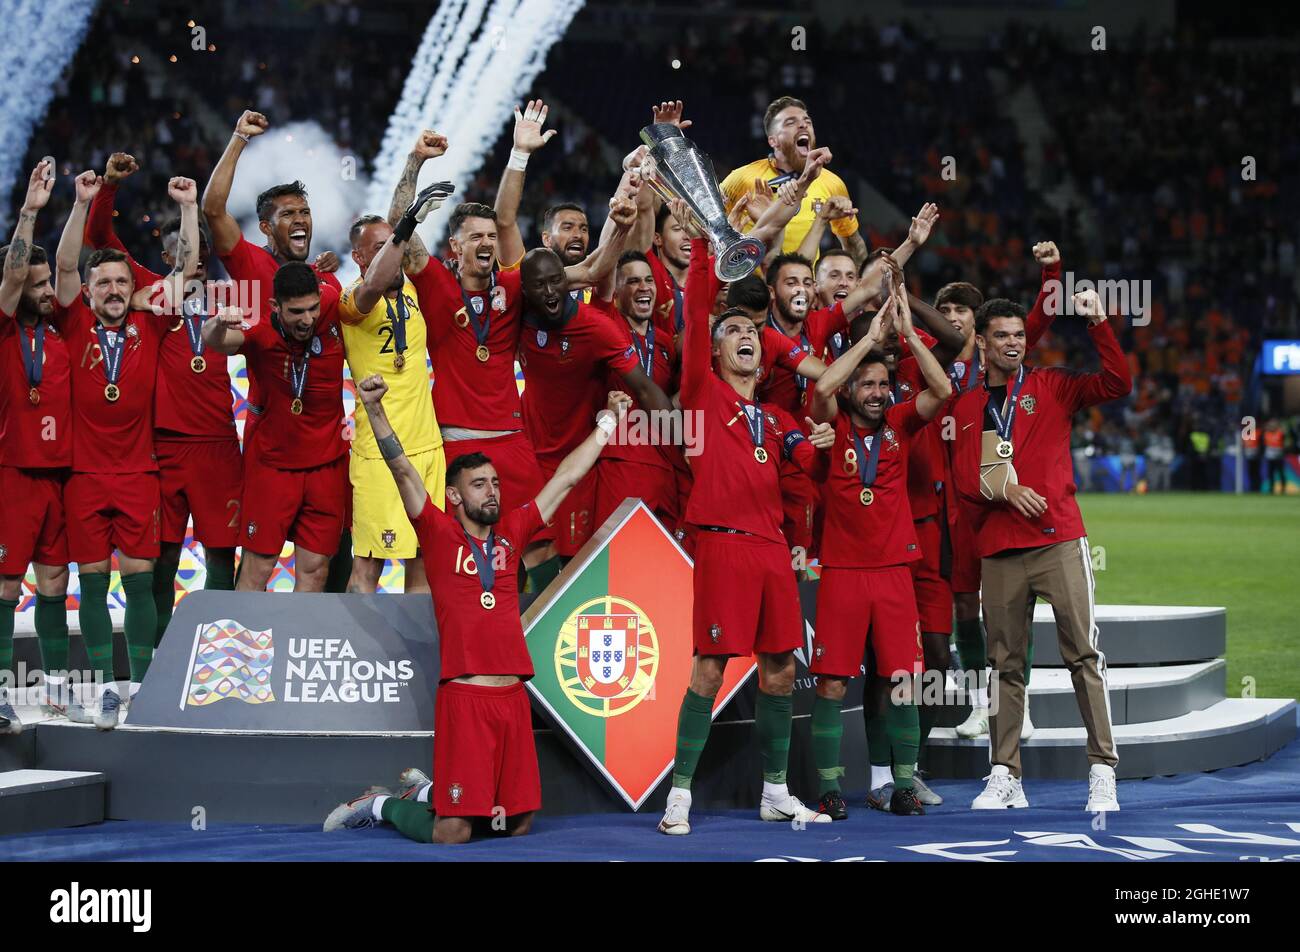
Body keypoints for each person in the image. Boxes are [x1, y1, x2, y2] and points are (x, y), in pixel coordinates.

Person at [322, 375, 623, 843]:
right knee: (454, 832)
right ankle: (380, 803)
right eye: (479, 484)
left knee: (517, 825)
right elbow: (402, 469)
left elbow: (566, 477)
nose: (492, 492)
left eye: (495, 483)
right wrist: (375, 410)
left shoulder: (514, 530)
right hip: (466, 701)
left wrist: (607, 424)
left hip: (512, 701)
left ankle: (431, 791)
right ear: (456, 496)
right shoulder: (439, 535)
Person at [658, 204, 837, 835]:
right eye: (732, 331)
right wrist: (707, 250)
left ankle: (775, 791)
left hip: (771, 551)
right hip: (722, 545)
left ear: (763, 356)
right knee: (710, 666)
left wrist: (820, 446)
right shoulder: (701, 395)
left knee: (782, 667)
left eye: (752, 334)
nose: (744, 337)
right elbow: (697, 314)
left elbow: (810, 471)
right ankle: (679, 794)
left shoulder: (776, 421)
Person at [950, 288, 1129, 811]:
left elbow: (1118, 383)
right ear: (981, 342)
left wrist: (1098, 324)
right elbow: (964, 480)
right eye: (1001, 336)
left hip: (1058, 541)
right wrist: (1006, 489)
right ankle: (1005, 774)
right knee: (1004, 664)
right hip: (1000, 548)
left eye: (1019, 336)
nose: (1013, 344)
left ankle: (1102, 769)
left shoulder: (1052, 385)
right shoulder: (966, 407)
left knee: (1083, 655)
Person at [51, 170, 200, 729]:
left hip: (140, 472)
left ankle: (138, 688)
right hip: (84, 474)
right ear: (88, 292)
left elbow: (183, 272)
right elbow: (66, 263)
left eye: (120, 282)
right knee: (91, 578)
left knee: (139, 577)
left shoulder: (151, 321)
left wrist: (187, 207)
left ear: (130, 288)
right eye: (103, 284)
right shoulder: (71, 324)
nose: (114, 291)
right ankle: (97, 690)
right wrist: (80, 203)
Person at [806, 286, 952, 819]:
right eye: (867, 384)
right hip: (843, 572)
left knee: (903, 681)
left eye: (883, 384)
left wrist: (908, 335)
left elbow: (942, 388)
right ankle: (828, 787)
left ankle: (906, 785)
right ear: (851, 391)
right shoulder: (831, 425)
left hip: (894, 572)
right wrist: (868, 339)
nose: (877, 392)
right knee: (832, 681)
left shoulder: (900, 426)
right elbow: (823, 383)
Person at [84, 151, 241, 641]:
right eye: (178, 254)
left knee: (221, 554)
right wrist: (108, 188)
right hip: (164, 447)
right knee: (161, 557)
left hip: (218, 444)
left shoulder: (235, 300)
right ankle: (159, 658)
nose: (188, 262)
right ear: (168, 258)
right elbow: (99, 241)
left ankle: (217, 659)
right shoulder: (152, 291)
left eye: (195, 255)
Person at [201, 110, 352, 591]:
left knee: (316, 569)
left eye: (304, 212)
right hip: (271, 455)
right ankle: (247, 663)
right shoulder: (251, 264)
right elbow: (213, 211)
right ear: (266, 228)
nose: (300, 220)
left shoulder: (327, 281)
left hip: (326, 453)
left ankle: (299, 664)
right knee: (259, 568)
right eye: (288, 215)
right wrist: (238, 138)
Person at [517, 200, 674, 559]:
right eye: (567, 227)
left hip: (583, 455)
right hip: (530, 449)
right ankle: (525, 616)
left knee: (574, 553)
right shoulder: (517, 303)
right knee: (531, 548)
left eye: (583, 227)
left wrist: (683, 438)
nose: (550, 291)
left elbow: (646, 388)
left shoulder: (596, 322)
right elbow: (593, 268)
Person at [203, 263, 347, 593]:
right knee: (259, 566)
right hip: (273, 469)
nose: (308, 319)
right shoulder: (260, 337)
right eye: (296, 312)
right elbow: (218, 342)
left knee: (315, 569)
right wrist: (217, 322)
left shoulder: (330, 302)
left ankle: (298, 642)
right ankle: (244, 644)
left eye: (313, 308)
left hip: (327, 467)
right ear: (274, 307)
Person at [337, 188, 453, 593]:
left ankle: (415, 657)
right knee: (367, 567)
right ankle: (360, 656)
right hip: (378, 455)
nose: (397, 252)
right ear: (360, 257)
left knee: (423, 560)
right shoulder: (351, 299)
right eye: (383, 246)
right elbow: (372, 286)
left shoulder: (413, 290)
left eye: (396, 243)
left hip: (427, 448)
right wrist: (406, 227)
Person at [0, 161, 74, 732]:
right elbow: (9, 281)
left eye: (49, 284)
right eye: (37, 284)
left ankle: (54, 691)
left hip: (60, 477)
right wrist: (29, 210)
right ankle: (2, 693)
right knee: (5, 585)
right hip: (12, 475)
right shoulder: (3, 328)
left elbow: (73, 268)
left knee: (55, 583)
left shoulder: (61, 333)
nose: (47, 293)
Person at [590, 251, 679, 531]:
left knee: (668, 562)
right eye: (633, 281)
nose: (644, 287)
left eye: (649, 280)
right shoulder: (606, 326)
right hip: (622, 461)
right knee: (618, 557)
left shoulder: (666, 344)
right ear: (616, 291)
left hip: (666, 465)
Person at [720, 96, 865, 262]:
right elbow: (705, 228)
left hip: (804, 285)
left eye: (807, 121)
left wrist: (858, 283)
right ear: (773, 141)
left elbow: (853, 244)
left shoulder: (832, 183)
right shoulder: (742, 178)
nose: (803, 125)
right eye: (790, 122)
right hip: (753, 286)